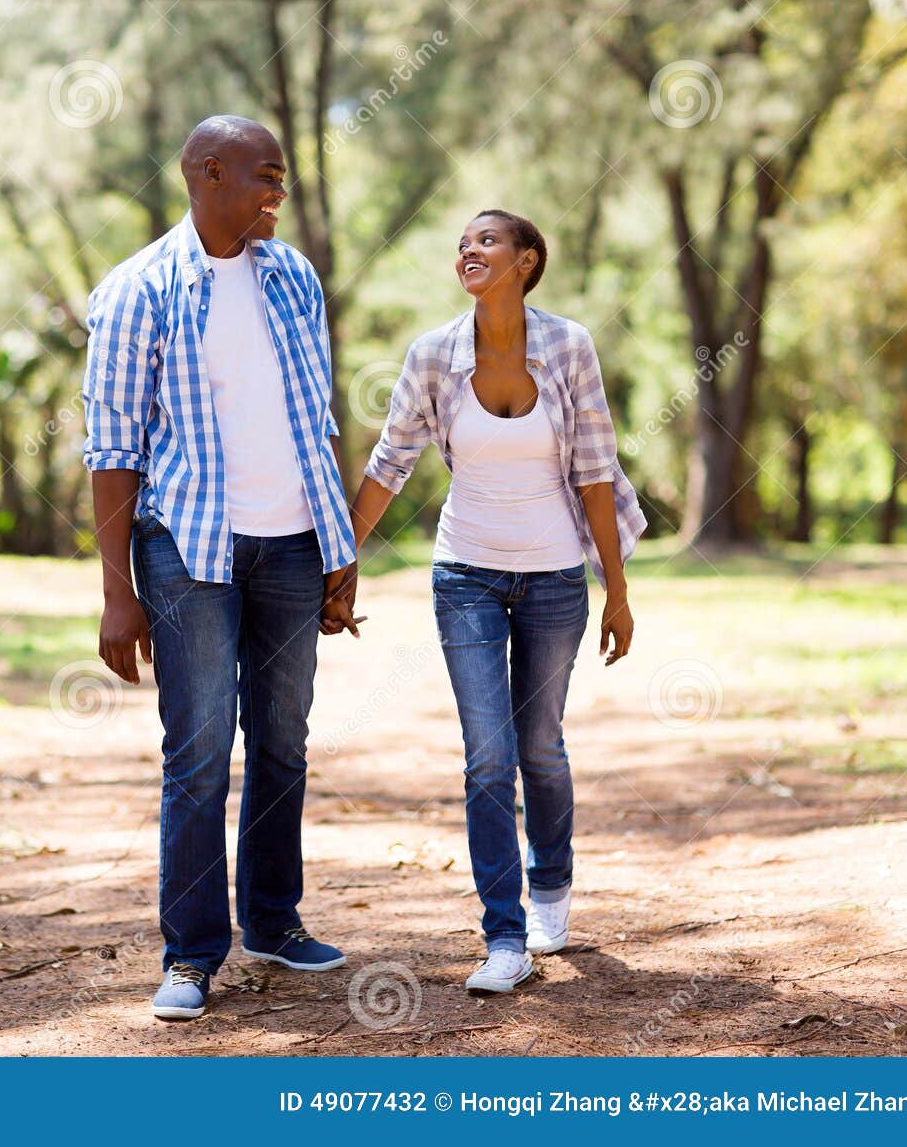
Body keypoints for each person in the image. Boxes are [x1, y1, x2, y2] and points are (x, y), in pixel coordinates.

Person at [81, 115, 360, 1021]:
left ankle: (274, 922)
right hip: (188, 550)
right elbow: (112, 451)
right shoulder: (137, 292)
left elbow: (317, 419)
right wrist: (119, 592)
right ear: (209, 172)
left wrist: (336, 548)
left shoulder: (293, 276)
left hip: (291, 545)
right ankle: (192, 954)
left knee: (283, 740)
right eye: (265, 176)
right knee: (198, 753)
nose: (279, 192)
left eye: (281, 176)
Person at [347, 209, 646, 994]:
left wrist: (616, 590)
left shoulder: (569, 346)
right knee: (489, 755)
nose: (468, 250)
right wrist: (340, 562)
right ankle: (503, 936)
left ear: (527, 259)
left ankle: (551, 887)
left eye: (486, 240)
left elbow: (595, 470)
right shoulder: (435, 355)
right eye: (462, 244)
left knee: (540, 745)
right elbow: (391, 462)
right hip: (467, 574)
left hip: (554, 578)